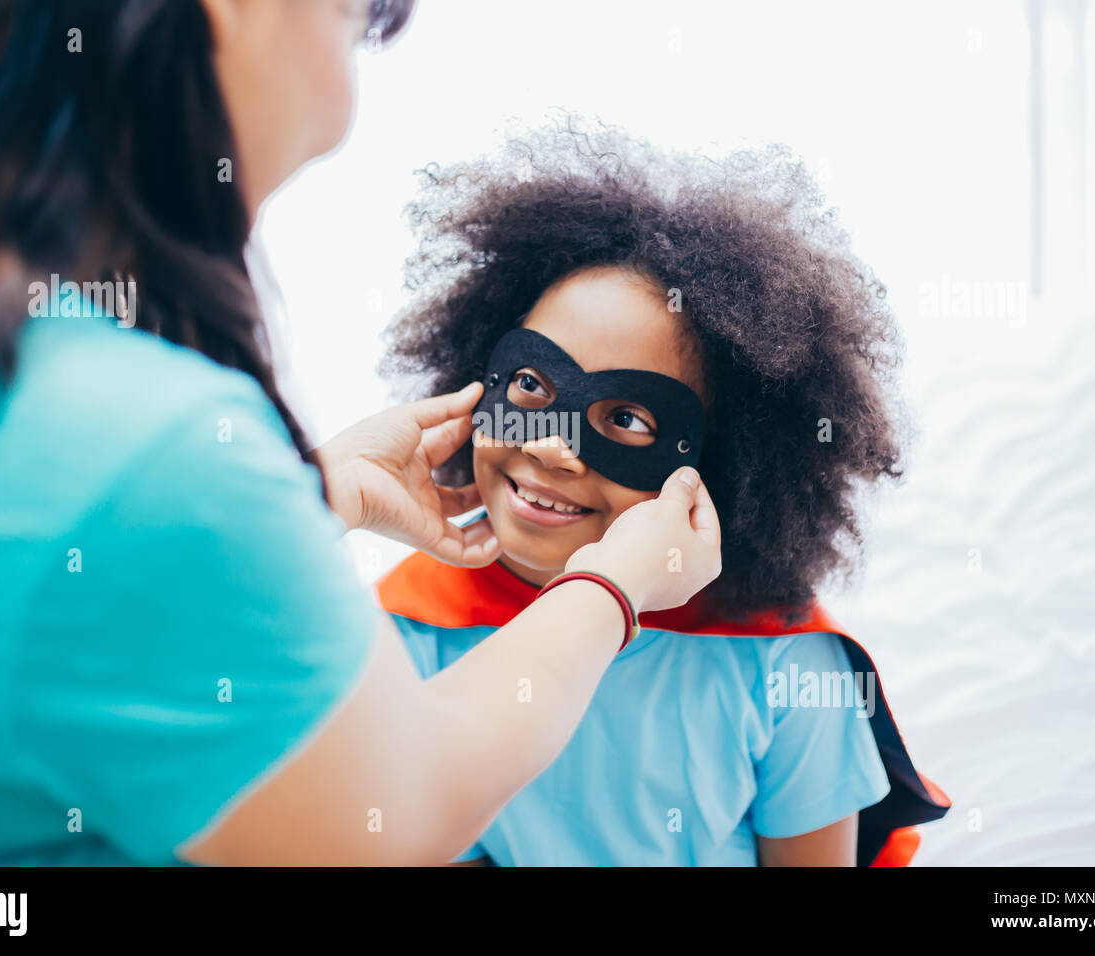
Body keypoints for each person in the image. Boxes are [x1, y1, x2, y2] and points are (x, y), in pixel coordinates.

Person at [0, 1, 720, 866]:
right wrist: (612, 588)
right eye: (356, 20)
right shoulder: (149, 457)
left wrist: (307, 495)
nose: (346, 96)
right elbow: (393, 816)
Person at [378, 120, 951, 865]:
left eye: (625, 418)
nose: (552, 444)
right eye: (529, 383)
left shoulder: (789, 670)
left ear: (726, 467)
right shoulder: (413, 626)